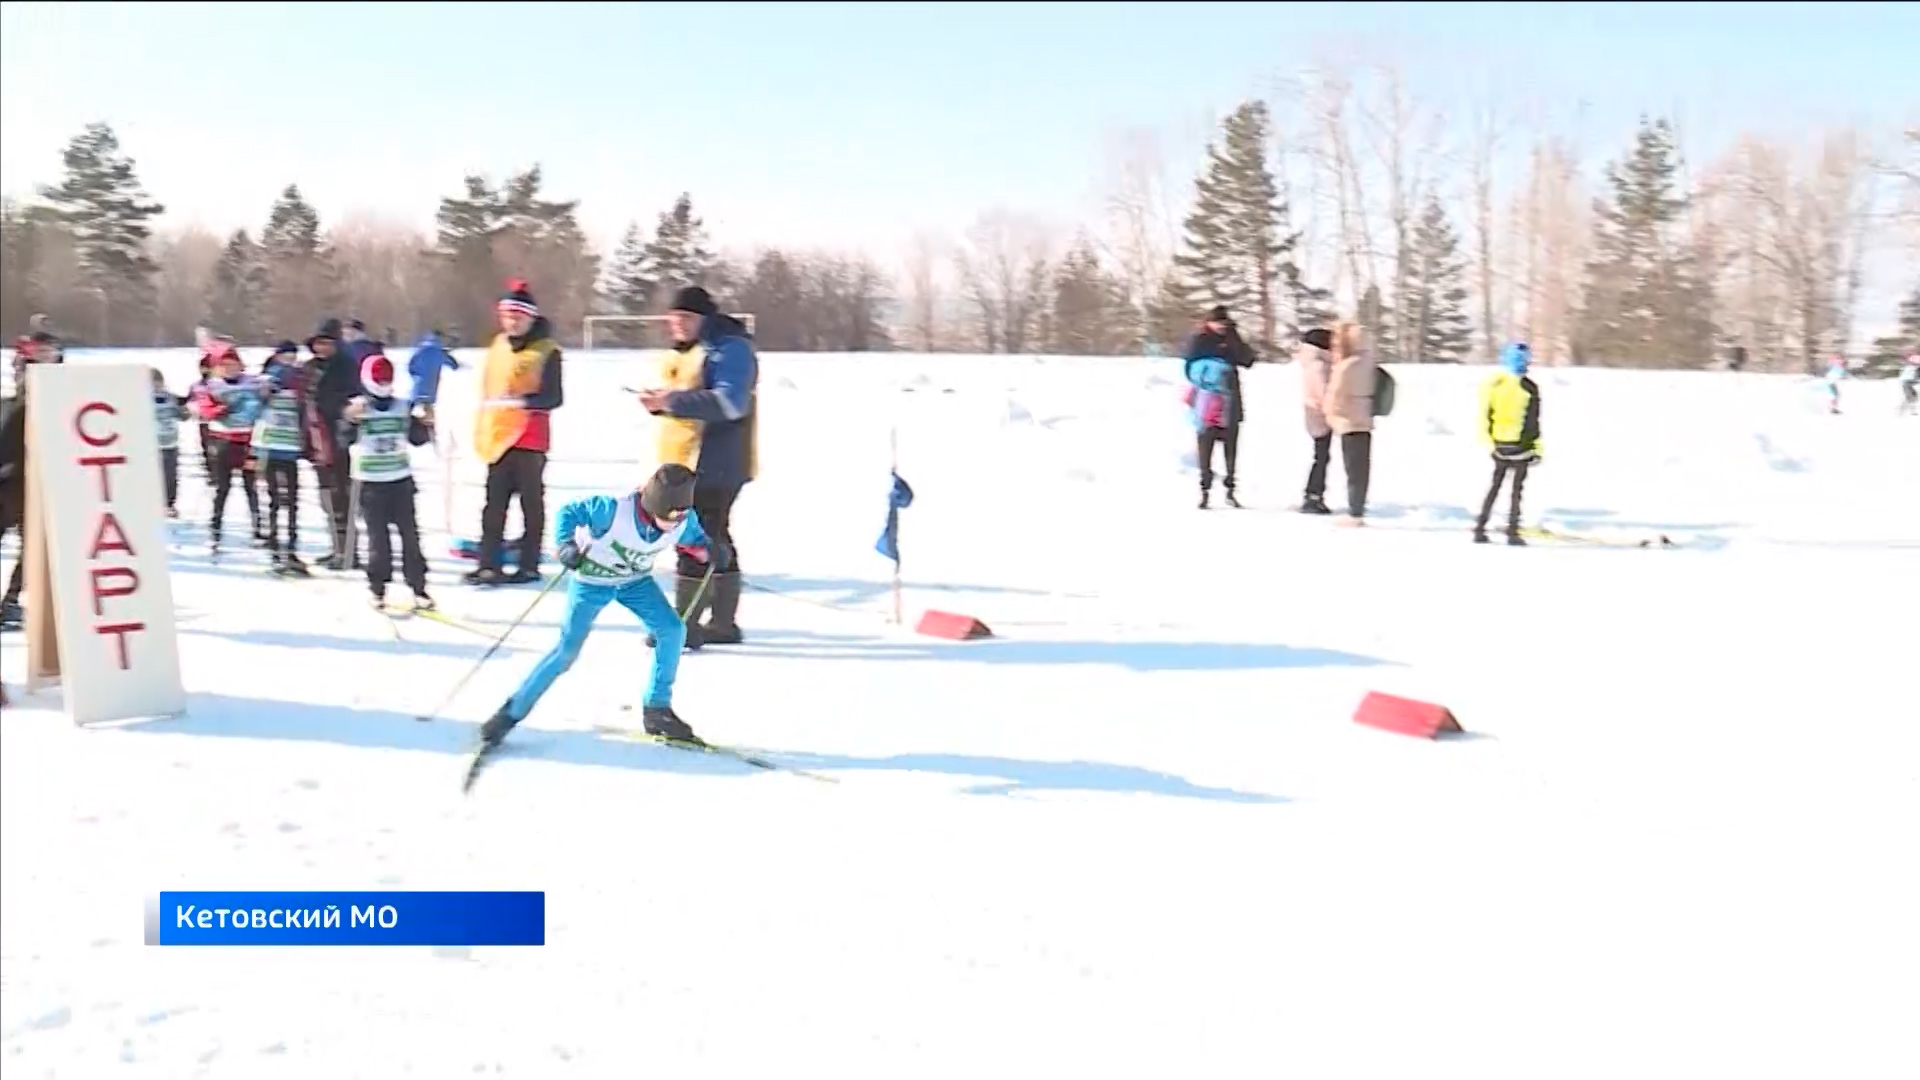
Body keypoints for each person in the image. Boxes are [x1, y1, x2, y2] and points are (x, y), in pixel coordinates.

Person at [471, 464, 731, 769]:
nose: (670, 527)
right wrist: (566, 545)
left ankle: (657, 708)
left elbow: (695, 542)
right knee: (566, 652)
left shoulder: (681, 521)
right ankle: (510, 713)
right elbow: (568, 513)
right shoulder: (611, 511)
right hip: (591, 583)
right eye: (665, 519)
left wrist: (710, 551)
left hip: (634, 583)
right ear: (649, 507)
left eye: (679, 519)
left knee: (673, 630)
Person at [637, 285, 757, 646]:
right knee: (711, 536)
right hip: (685, 461)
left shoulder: (730, 349)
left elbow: (731, 403)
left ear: (704, 318)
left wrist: (672, 401)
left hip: (716, 461)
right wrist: (661, 402)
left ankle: (684, 625)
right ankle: (721, 622)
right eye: (673, 319)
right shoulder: (690, 352)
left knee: (695, 537)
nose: (678, 325)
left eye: (686, 318)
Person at [470, 278, 564, 586]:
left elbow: (554, 397)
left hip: (530, 439)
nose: (512, 321)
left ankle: (529, 564)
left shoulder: (547, 350)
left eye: (518, 316)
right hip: (498, 438)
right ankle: (488, 564)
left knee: (531, 504)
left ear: (530, 317)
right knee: (493, 506)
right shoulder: (497, 345)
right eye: (507, 315)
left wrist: (522, 402)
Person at [342, 350, 435, 611]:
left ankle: (418, 587)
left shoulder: (402, 406)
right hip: (370, 484)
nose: (383, 384)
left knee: (410, 537)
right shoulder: (359, 406)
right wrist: (349, 420)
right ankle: (377, 588)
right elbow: (343, 439)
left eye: (386, 379)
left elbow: (416, 438)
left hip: (400, 481)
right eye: (378, 379)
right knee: (378, 541)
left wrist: (426, 424)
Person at [190, 343, 266, 555]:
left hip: (248, 441)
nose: (230, 369)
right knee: (222, 488)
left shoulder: (252, 384)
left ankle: (258, 526)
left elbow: (262, 402)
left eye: (233, 364)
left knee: (251, 486)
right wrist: (225, 408)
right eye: (225, 365)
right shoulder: (211, 386)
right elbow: (206, 410)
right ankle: (215, 529)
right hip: (222, 441)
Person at [1181, 306, 1255, 508]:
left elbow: (1248, 360)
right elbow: (1188, 368)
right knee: (1206, 446)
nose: (1221, 327)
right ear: (1209, 323)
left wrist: (1234, 340)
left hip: (1231, 401)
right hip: (1206, 402)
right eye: (1217, 323)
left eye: (1224, 324)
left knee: (1231, 448)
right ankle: (1204, 490)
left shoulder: (1231, 338)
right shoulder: (1200, 339)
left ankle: (1230, 489)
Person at [1472, 343, 1544, 546]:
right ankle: (1512, 531)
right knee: (1516, 490)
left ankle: (1480, 527)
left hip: (1499, 445)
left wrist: (1489, 442)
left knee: (1494, 487)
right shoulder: (1529, 387)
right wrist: (1537, 449)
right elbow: (1533, 422)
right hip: (1520, 446)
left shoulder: (1495, 384)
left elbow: (1485, 414)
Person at [305, 319, 362, 569]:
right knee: (326, 496)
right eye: (318, 343)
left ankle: (349, 551)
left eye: (327, 343)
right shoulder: (309, 368)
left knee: (342, 496)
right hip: (316, 438)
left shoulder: (346, 367)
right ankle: (336, 547)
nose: (322, 348)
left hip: (339, 437)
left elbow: (353, 400)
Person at [254, 340, 312, 576]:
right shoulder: (266, 379)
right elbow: (254, 401)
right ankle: (276, 548)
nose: (288, 361)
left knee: (293, 501)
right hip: (269, 446)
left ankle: (291, 548)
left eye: (292, 357)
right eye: (284, 356)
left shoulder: (300, 381)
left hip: (290, 447)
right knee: (275, 499)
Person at [1323, 320, 1378, 524]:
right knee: (1362, 469)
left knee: (1352, 469)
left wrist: (1329, 416)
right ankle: (1359, 508)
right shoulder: (1368, 362)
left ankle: (1355, 513)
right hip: (1365, 419)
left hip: (1348, 421)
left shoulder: (1345, 366)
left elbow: (1334, 396)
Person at [1296, 326, 1337, 514]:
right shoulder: (1319, 365)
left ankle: (1314, 494)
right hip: (1320, 414)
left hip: (1314, 412)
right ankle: (1313, 494)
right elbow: (1323, 393)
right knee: (1321, 457)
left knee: (1321, 456)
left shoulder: (1312, 362)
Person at [150, 368, 186, 519]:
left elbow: (182, 415)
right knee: (153, 476)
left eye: (157, 383)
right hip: (151, 444)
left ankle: (169, 504)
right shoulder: (138, 398)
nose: (155, 386)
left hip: (170, 442)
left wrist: (185, 411)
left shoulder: (170, 398)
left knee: (170, 475)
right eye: (152, 383)